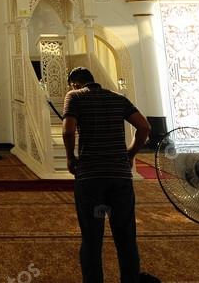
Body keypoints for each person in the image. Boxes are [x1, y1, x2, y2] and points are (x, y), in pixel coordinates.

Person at [62, 67, 152, 283]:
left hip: (90, 179)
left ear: (75, 83)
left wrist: (70, 158)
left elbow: (68, 130)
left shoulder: (74, 96)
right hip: (119, 178)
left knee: (92, 238)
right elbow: (145, 127)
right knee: (126, 238)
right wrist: (130, 154)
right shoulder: (118, 99)